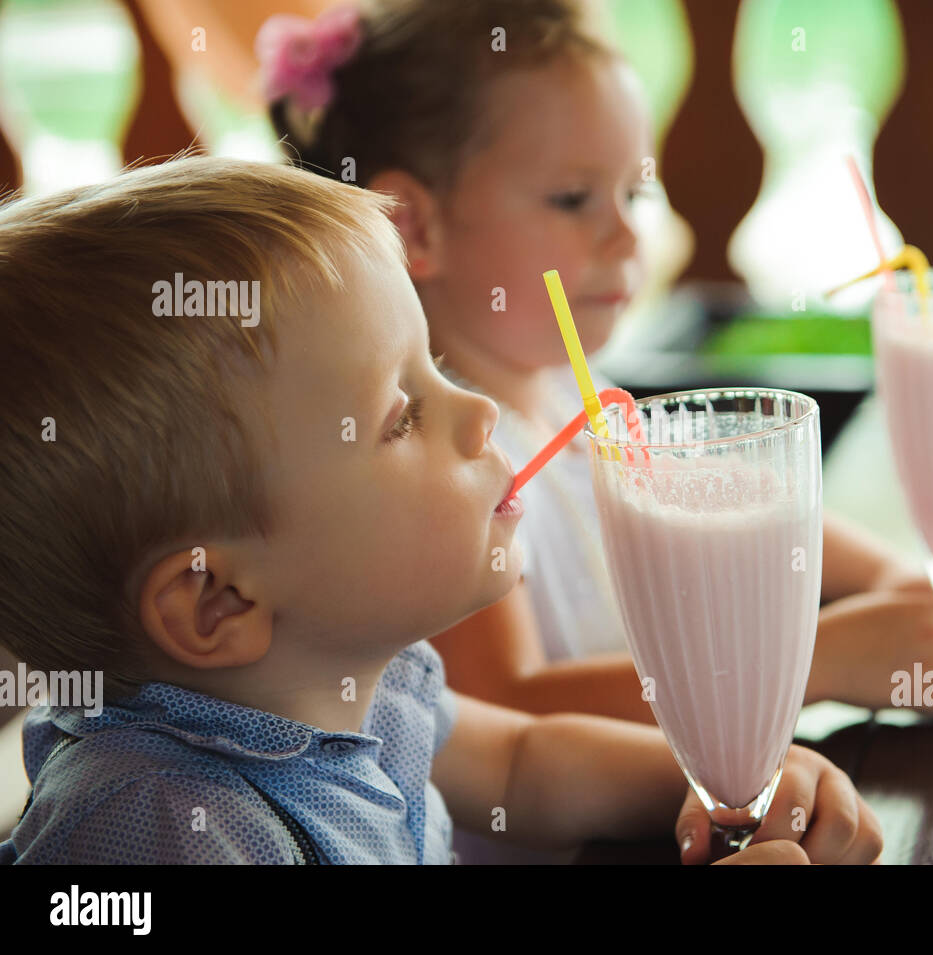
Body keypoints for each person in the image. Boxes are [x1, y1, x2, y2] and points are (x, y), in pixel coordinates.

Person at [0, 156, 881, 865]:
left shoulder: (347, 681)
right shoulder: (165, 829)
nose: (479, 410)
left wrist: (730, 790)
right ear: (217, 603)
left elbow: (522, 766)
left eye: (436, 366)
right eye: (403, 414)